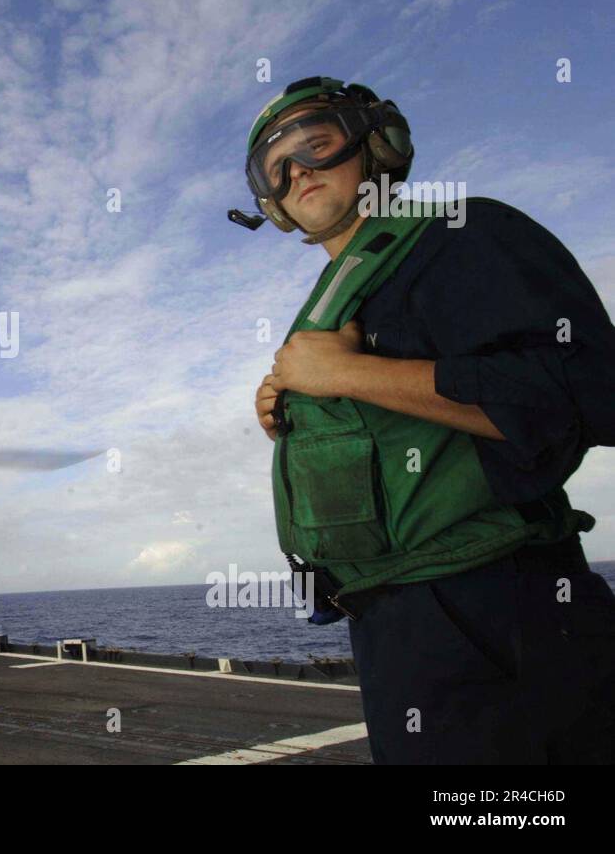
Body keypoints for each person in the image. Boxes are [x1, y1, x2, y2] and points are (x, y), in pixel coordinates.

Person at [234, 76, 615, 764]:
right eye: (276, 166)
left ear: (374, 143)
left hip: (495, 610)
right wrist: (295, 407)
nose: (296, 172)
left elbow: (587, 391)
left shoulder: (461, 237)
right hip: (397, 625)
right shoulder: (349, 285)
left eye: (315, 145)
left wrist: (347, 376)